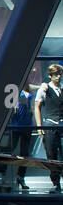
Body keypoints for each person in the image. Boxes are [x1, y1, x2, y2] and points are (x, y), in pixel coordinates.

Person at [38, 63, 63, 193]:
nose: (58, 77)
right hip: (49, 123)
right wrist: (39, 126)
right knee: (52, 154)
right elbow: (37, 106)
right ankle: (55, 182)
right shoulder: (45, 88)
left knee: (60, 153)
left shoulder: (62, 89)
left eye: (59, 74)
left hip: (61, 124)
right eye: (55, 74)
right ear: (50, 75)